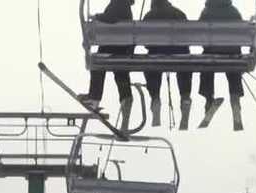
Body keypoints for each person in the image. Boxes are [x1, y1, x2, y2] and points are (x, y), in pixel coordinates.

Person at [80, 0, 135, 129]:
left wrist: (96, 17)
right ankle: (126, 97)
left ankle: (94, 97)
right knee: (121, 73)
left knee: (97, 63)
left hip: (111, 47)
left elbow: (111, 19)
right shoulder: (126, 7)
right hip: (123, 50)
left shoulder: (117, 4)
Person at [141, 0, 193, 129]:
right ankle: (185, 98)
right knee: (184, 66)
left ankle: (155, 98)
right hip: (180, 54)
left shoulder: (149, 16)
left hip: (156, 54)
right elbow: (188, 39)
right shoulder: (180, 14)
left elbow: (145, 43)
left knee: (151, 67)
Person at [197, 0, 246, 131]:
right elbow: (242, 34)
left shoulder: (206, 12)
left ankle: (208, 100)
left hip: (211, 51)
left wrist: (207, 46)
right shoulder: (234, 11)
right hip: (232, 52)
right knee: (234, 68)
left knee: (206, 66)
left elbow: (199, 33)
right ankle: (235, 101)